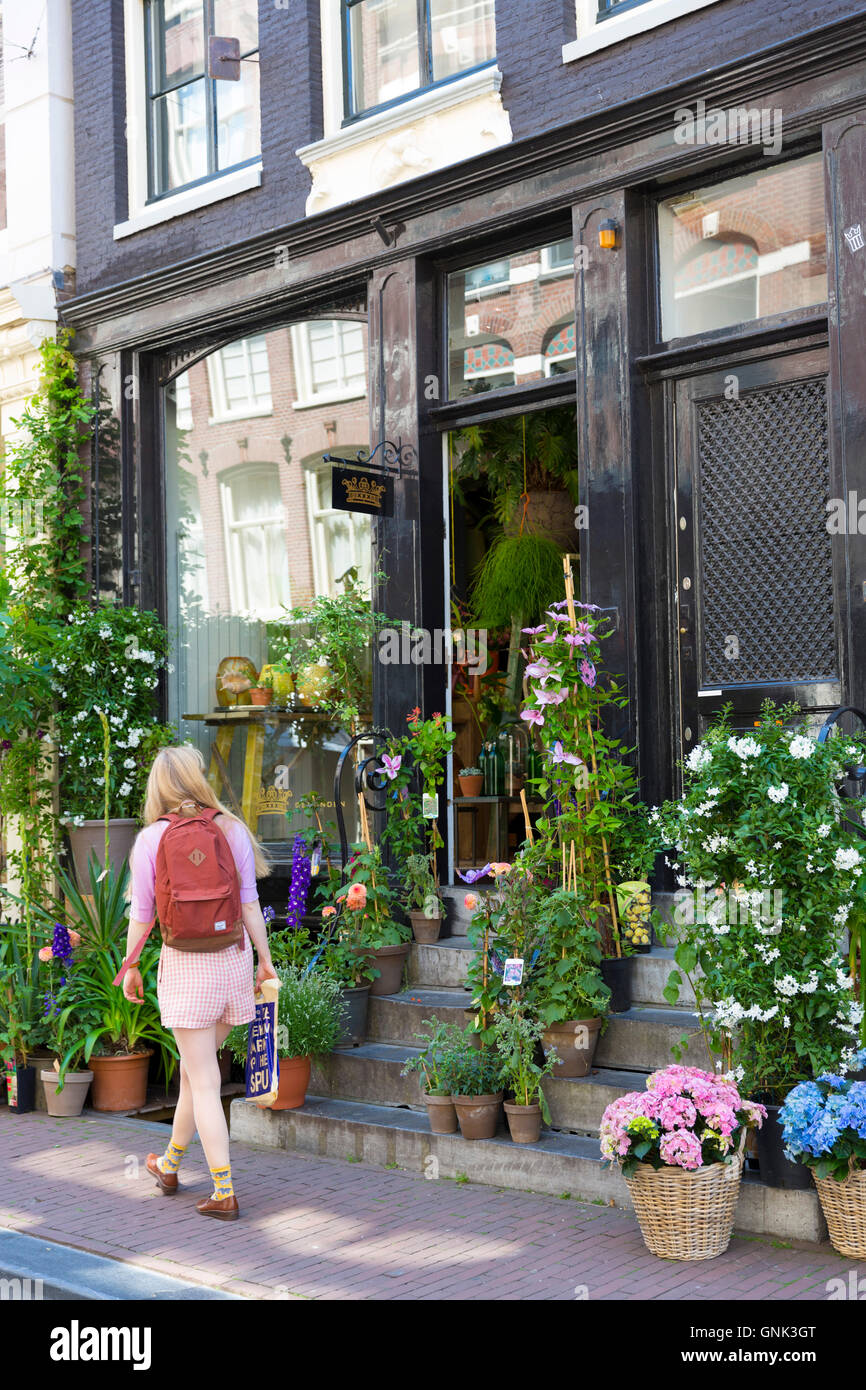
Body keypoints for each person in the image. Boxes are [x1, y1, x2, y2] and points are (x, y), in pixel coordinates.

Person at [121, 744, 276, 1221]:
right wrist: (265, 962)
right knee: (196, 1072)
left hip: (186, 967)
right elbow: (250, 903)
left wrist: (130, 966)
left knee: (204, 1079)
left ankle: (224, 1191)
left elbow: (142, 916)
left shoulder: (152, 838)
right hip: (231, 960)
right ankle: (168, 1166)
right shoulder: (232, 829)